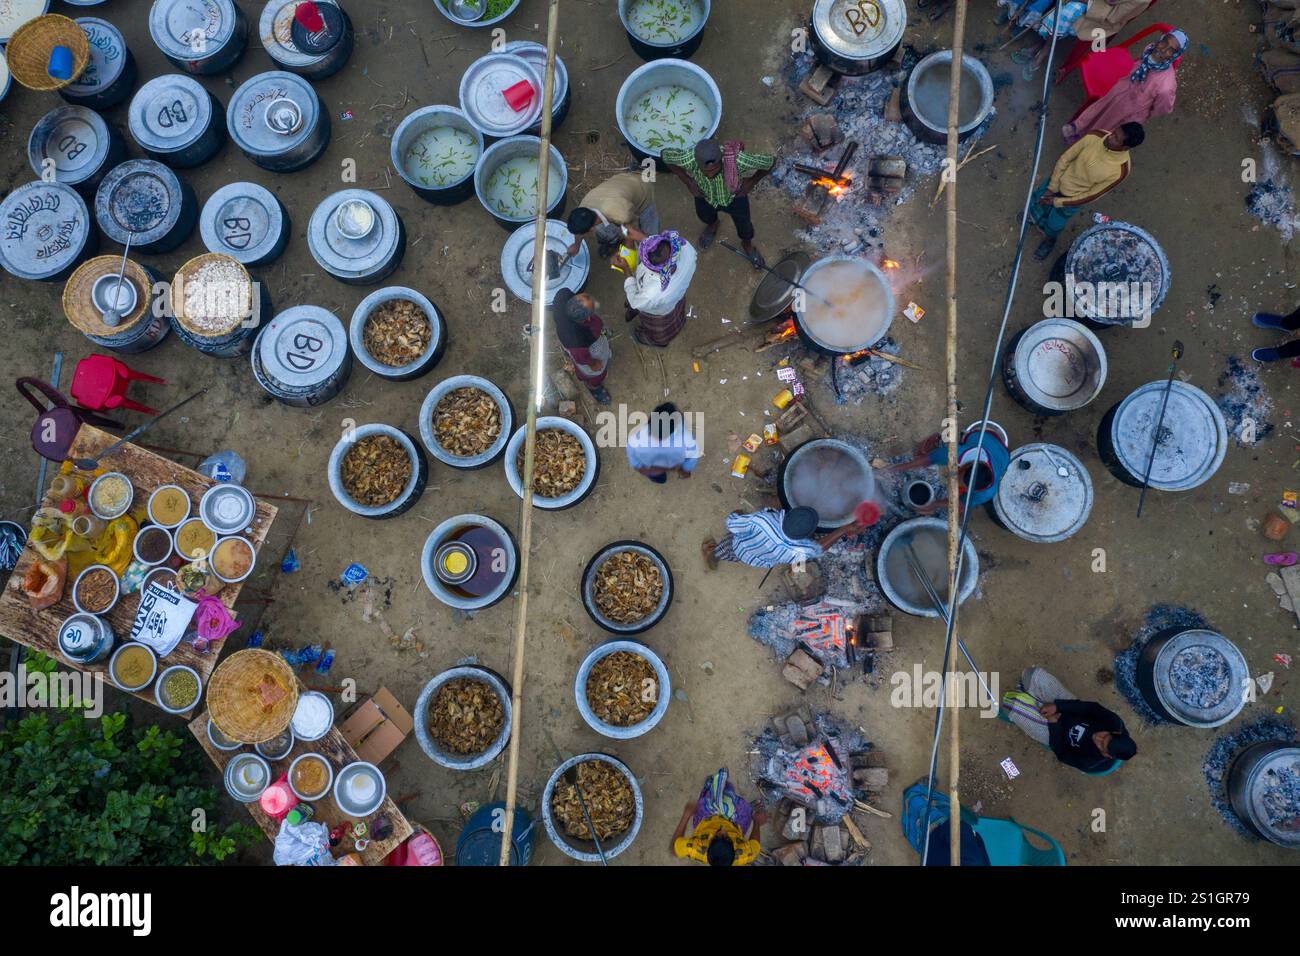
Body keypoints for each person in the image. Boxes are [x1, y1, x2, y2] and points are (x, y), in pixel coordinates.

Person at [1030, 123, 1143, 260]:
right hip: (1057, 180)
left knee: (1055, 224)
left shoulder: (1121, 170)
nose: (1110, 136)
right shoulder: (1096, 135)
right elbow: (1065, 158)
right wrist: (1051, 187)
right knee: (1037, 201)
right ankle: (1033, 218)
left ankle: (1050, 240)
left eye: (1116, 138)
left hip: (1073, 198)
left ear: (1125, 147)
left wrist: (1058, 201)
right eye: (1113, 132)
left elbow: (1092, 195)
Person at [1001, 666, 1138, 773]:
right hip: (1070, 710)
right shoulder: (1114, 722)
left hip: (1056, 735)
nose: (1098, 738)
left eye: (1102, 745)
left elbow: (1062, 753)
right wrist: (1058, 706)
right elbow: (1089, 708)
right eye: (1105, 736)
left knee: (1009, 704)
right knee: (1031, 675)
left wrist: (1053, 725)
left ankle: (1026, 698)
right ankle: (1028, 696)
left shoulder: (1091, 763)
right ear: (1116, 732)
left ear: (1108, 756)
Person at [661, 138, 773, 268]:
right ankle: (713, 225)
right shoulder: (689, 158)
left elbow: (770, 162)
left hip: (734, 197)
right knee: (704, 215)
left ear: (721, 160)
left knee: (745, 226)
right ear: (696, 163)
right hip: (705, 195)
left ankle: (747, 245)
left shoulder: (737, 160)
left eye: (715, 169)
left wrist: (751, 182)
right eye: (705, 171)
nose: (710, 174)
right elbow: (665, 155)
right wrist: (688, 182)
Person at [1063, 30, 1185, 144]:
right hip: (1121, 88)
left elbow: (1162, 108)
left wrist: (1142, 112)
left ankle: (1087, 141)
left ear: (1175, 55)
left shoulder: (1165, 86)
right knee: (1100, 107)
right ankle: (1079, 127)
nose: (1163, 49)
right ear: (1161, 39)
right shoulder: (1150, 50)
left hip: (1130, 109)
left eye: (1171, 50)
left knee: (1107, 124)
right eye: (1164, 42)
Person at [887, 421, 1012, 513]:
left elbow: (961, 504)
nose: (956, 480)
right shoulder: (954, 454)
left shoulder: (987, 493)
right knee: (926, 455)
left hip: (1003, 456)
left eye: (964, 485)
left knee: (961, 504)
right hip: (983, 437)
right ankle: (934, 442)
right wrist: (892, 470)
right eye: (960, 477)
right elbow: (923, 461)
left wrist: (935, 504)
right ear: (964, 466)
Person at [702, 506, 863, 571]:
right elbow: (819, 548)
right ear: (805, 535)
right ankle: (714, 555)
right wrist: (845, 528)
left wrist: (737, 515)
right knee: (737, 554)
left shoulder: (761, 521)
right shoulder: (799, 550)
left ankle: (714, 555)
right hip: (758, 560)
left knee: (728, 548)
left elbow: (731, 523)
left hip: (741, 548)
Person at [671, 768, 766, 866]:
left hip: (706, 818)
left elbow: (674, 849)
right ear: (735, 851)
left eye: (716, 837)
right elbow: (755, 846)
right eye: (727, 838)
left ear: (707, 849)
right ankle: (744, 804)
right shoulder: (743, 855)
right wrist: (757, 822)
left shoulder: (697, 848)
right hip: (736, 823)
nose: (722, 830)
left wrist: (686, 815)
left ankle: (710, 786)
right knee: (734, 799)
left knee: (710, 796)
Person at [624, 230, 697, 347]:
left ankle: (657, 341)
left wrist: (626, 270)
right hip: (675, 298)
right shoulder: (686, 249)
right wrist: (645, 239)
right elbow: (660, 251)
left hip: (659, 312)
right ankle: (633, 313)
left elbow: (635, 302)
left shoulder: (652, 294)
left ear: (653, 268)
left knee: (659, 332)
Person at [564, 170, 660, 260]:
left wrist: (625, 254)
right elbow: (579, 230)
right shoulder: (583, 208)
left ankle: (653, 253)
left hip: (642, 191)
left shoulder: (621, 214)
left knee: (649, 235)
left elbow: (631, 233)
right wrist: (576, 246)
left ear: (591, 229)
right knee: (603, 230)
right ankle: (614, 242)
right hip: (620, 185)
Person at [551, 288, 612, 405]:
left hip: (578, 343)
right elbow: (581, 358)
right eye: (592, 310)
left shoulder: (562, 297)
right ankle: (594, 387)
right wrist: (594, 364)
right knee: (594, 375)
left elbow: (563, 293)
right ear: (587, 319)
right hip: (586, 354)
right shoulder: (577, 339)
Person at [625, 402, 700, 482]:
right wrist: (684, 471)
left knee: (661, 479)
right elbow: (692, 457)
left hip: (653, 468)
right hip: (672, 463)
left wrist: (657, 470)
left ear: (650, 419)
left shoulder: (634, 441)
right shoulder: (687, 440)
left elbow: (636, 464)